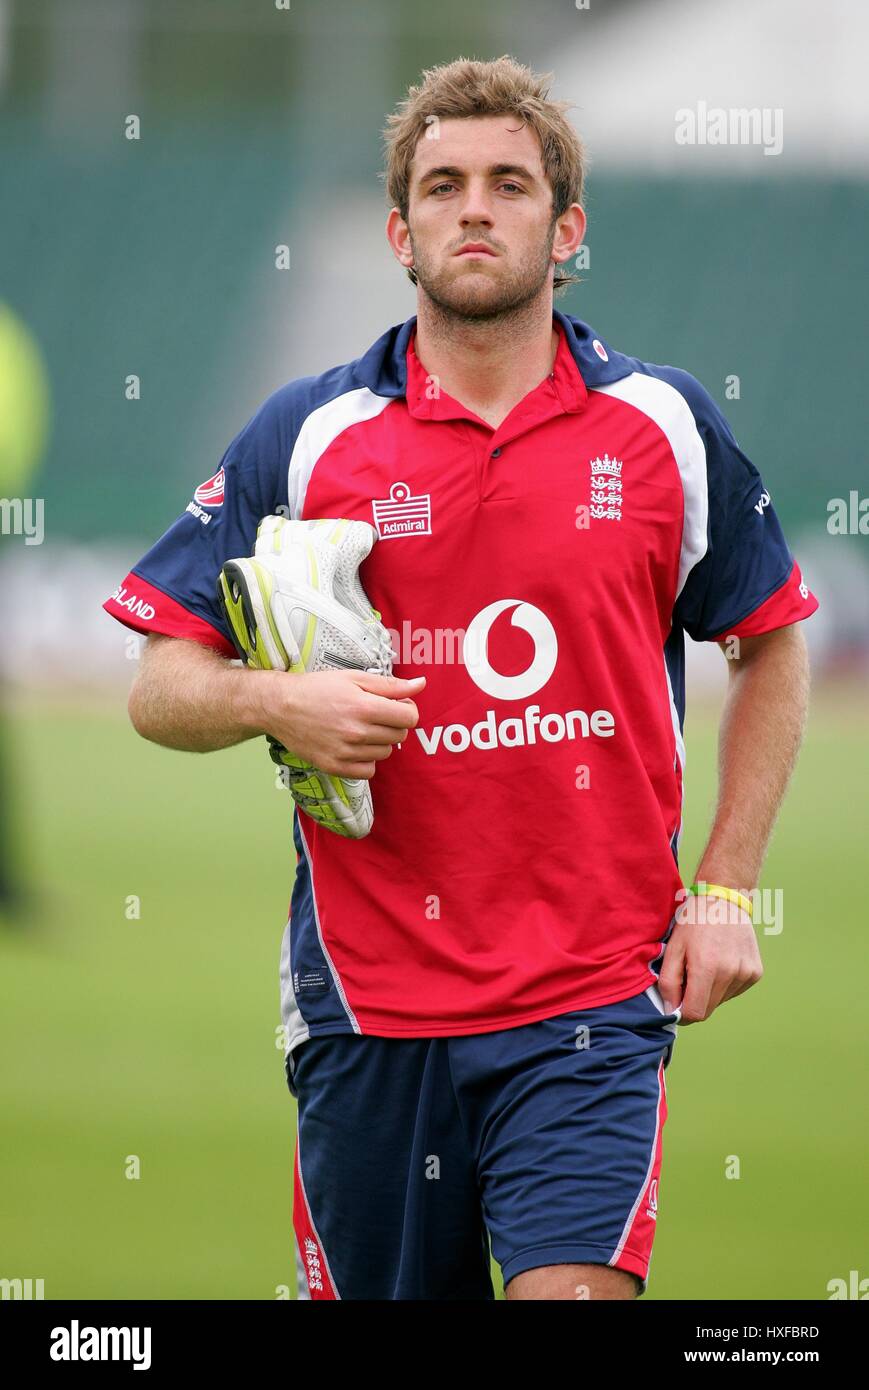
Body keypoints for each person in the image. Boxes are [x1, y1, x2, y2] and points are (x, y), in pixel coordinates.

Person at [104, 55, 818, 1301]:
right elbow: (160, 678)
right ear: (399, 230)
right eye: (441, 187)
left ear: (566, 226)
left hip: (590, 1005)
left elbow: (769, 641)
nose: (472, 209)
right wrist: (276, 702)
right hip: (366, 1012)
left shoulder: (661, 426)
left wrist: (727, 889)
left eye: (507, 183)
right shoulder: (307, 434)